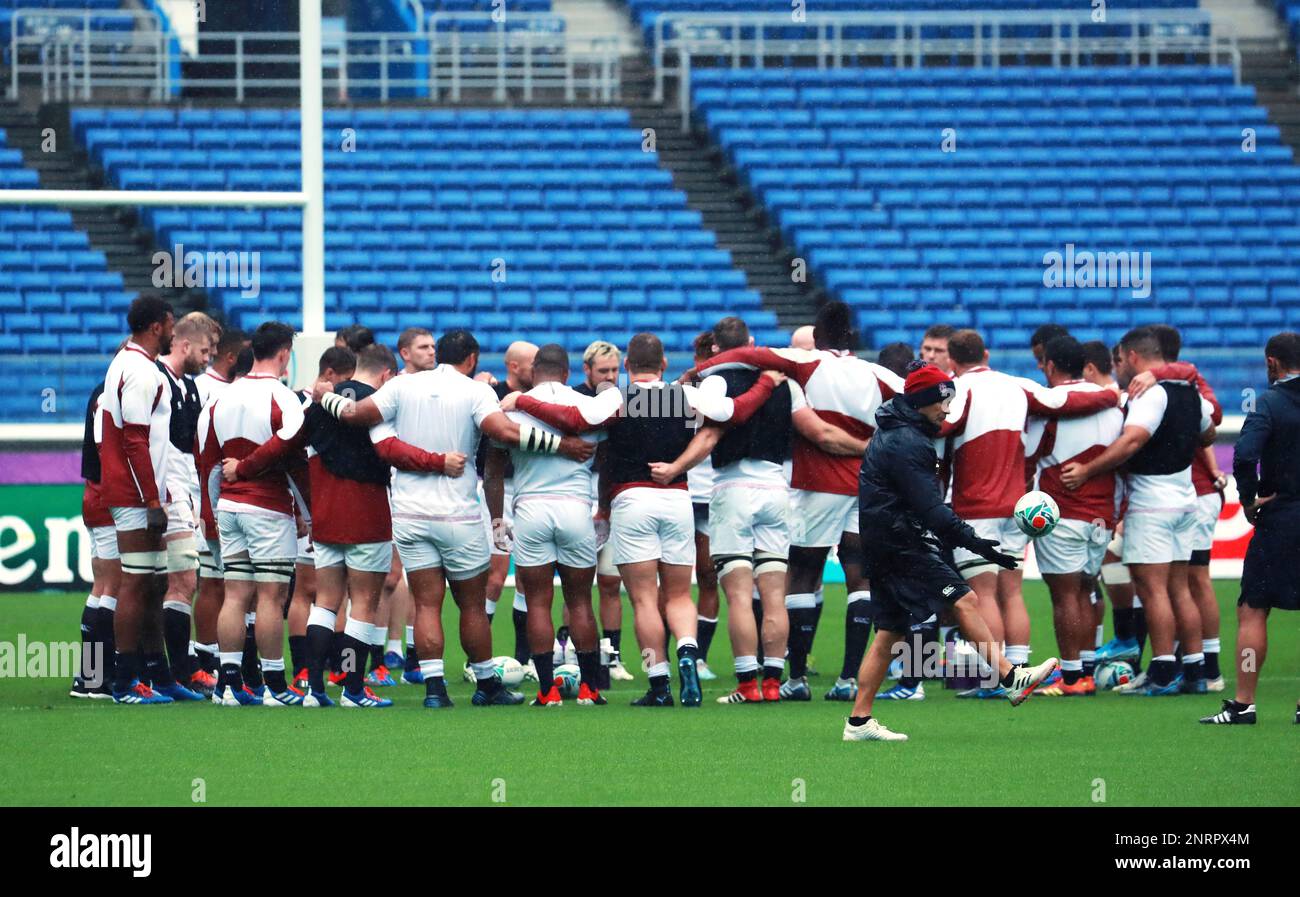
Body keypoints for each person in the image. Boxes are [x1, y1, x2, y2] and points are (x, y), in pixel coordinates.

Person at [313, 329, 592, 708]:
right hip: (458, 513)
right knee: (472, 605)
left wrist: (324, 396)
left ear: (437, 354)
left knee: (427, 603)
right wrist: (562, 444)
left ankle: (434, 690)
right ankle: (486, 684)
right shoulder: (474, 391)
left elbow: (356, 414)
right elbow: (505, 432)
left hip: (410, 512)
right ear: (472, 359)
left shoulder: (402, 386)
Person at [507, 332, 782, 707]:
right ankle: (687, 648)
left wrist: (522, 399)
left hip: (632, 498)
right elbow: (738, 410)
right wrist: (767, 380)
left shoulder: (616, 397)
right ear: (665, 364)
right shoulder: (684, 396)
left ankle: (658, 682)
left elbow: (570, 417)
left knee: (643, 599)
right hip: (677, 497)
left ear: (626, 366)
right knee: (680, 594)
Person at [691, 302, 899, 702]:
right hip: (868, 485)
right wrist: (882, 449)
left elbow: (815, 429)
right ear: (853, 337)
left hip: (815, 483)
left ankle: (794, 677)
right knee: (861, 578)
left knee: (800, 576)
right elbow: (931, 406)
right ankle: (848, 678)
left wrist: (699, 370)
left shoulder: (803, 368)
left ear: (816, 339)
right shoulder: (879, 374)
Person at [846, 363, 1059, 741]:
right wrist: (974, 542)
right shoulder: (908, 442)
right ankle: (1011, 677)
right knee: (965, 599)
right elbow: (931, 508)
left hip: (884, 541)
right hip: (900, 543)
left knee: (889, 632)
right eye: (943, 402)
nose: (947, 410)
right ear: (924, 401)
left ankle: (859, 723)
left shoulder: (898, 432)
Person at [1062, 327, 1216, 696]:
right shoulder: (1191, 390)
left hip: (1152, 502)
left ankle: (1162, 669)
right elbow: (1209, 432)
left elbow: (1132, 440)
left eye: (1121, 360)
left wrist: (1088, 469)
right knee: (1180, 587)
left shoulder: (1151, 393)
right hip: (1185, 497)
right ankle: (1194, 669)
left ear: (1132, 356)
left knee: (1152, 589)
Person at [486, 344, 606, 706]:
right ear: (568, 374)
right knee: (581, 601)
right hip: (575, 509)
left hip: (531, 510)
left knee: (538, 602)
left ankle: (546, 690)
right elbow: (609, 462)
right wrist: (607, 509)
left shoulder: (508, 407)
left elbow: (492, 472)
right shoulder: (587, 405)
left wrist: (496, 518)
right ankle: (589, 688)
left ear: (534, 371)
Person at [208, 322, 309, 706]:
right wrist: (310, 513)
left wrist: (210, 509)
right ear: (284, 353)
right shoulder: (283, 399)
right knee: (271, 596)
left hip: (229, 506)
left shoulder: (221, 397)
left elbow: (208, 460)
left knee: (235, 595)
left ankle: (228, 683)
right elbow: (293, 453)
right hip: (266, 507)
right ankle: (275, 685)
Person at [1202, 331, 1300, 724]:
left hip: (1281, 517)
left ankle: (1243, 704)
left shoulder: (1271, 403)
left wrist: (1248, 498)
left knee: (1253, 608)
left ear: (1272, 363)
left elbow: (1243, 455)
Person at [1023, 336, 1123, 696]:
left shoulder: (1052, 411)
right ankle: (1085, 669)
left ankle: (1071, 677)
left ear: (1050, 365)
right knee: (1085, 589)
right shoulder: (1115, 408)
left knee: (1063, 595)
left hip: (1063, 515)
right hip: (1102, 515)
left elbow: (1028, 458)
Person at [100, 294, 180, 704]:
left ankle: (158, 673)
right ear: (158, 325)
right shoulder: (138, 370)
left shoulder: (134, 365)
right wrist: (150, 500)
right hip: (135, 494)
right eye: (171, 326)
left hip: (144, 491)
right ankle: (125, 681)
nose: (173, 333)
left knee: (155, 582)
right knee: (135, 582)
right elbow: (134, 439)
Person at [576, 340, 633, 682]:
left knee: (611, 582)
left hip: (614, 498)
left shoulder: (628, 402)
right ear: (587, 371)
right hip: (578, 497)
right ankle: (570, 654)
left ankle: (612, 657)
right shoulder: (575, 399)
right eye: (603, 371)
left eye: (615, 370)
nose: (610, 377)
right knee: (577, 584)